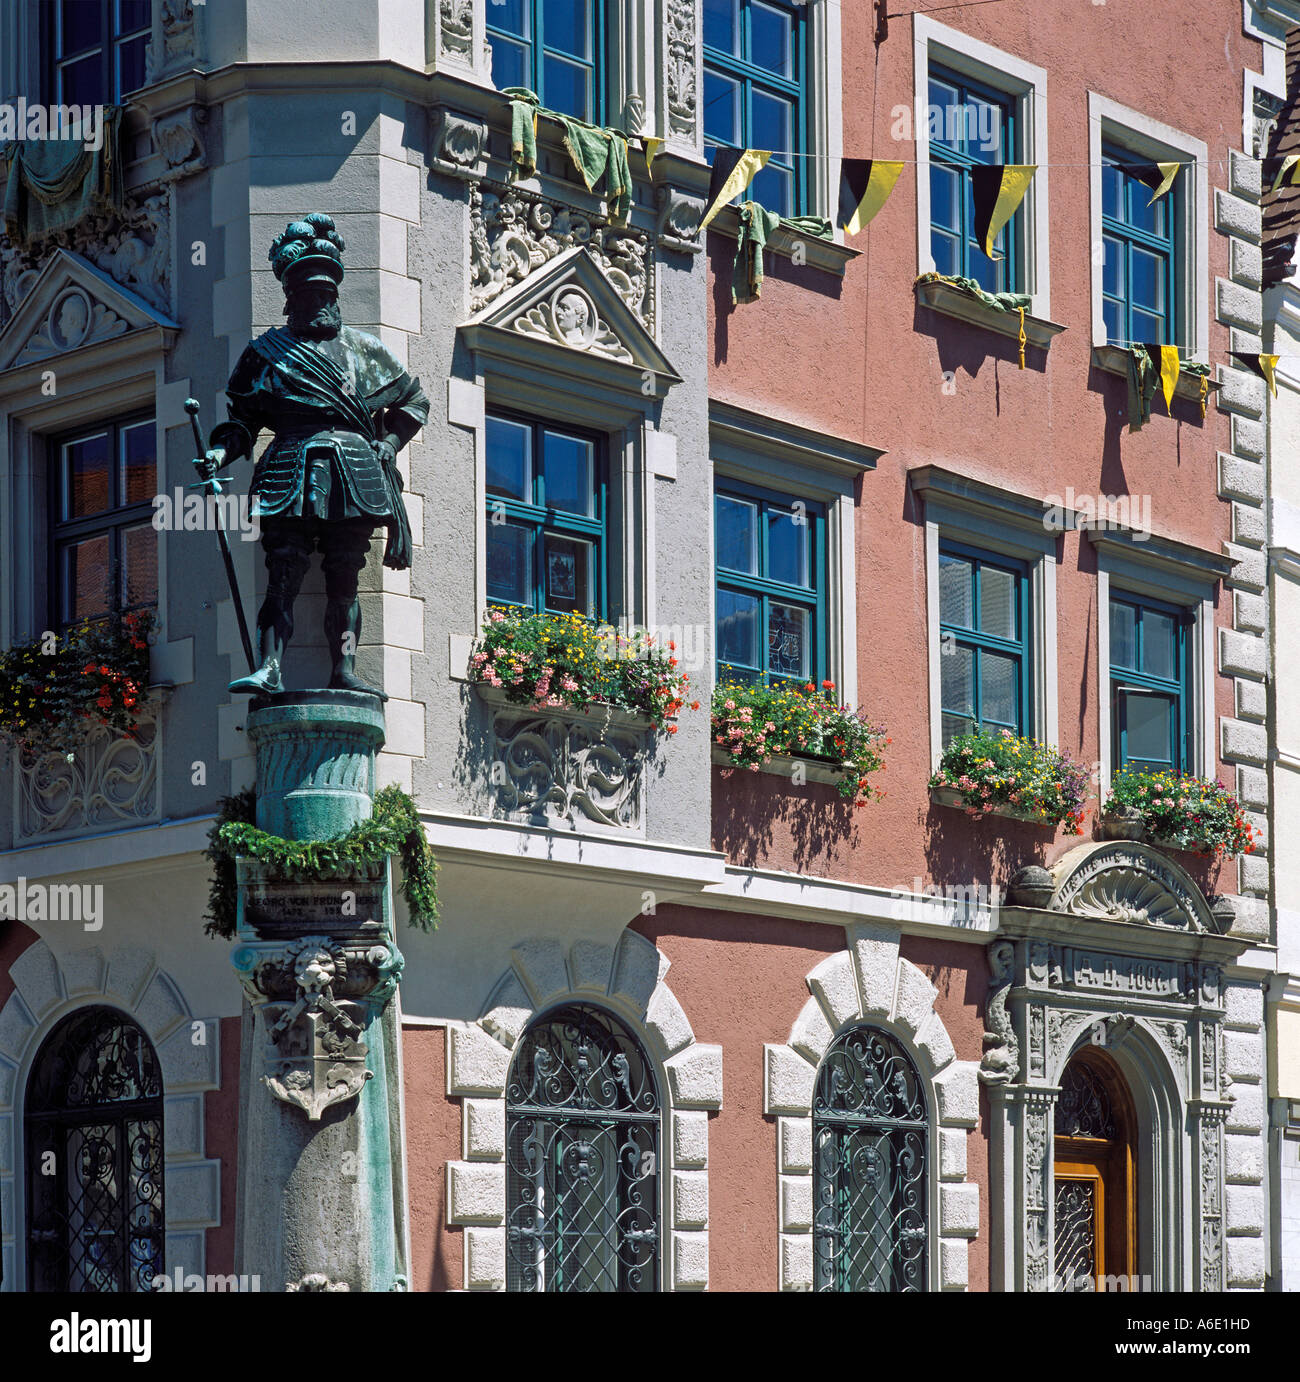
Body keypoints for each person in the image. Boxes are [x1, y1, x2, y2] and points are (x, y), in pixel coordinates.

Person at [197, 213, 429, 699]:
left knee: (345, 573)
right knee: (282, 570)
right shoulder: (266, 354)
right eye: (310, 293)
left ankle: (343, 671)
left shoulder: (366, 350)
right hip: (289, 463)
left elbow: (415, 401)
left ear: (337, 295)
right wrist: (218, 454)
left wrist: (387, 445)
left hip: (354, 466)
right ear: (292, 297)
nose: (321, 301)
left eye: (327, 292)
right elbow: (242, 420)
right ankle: (270, 668)